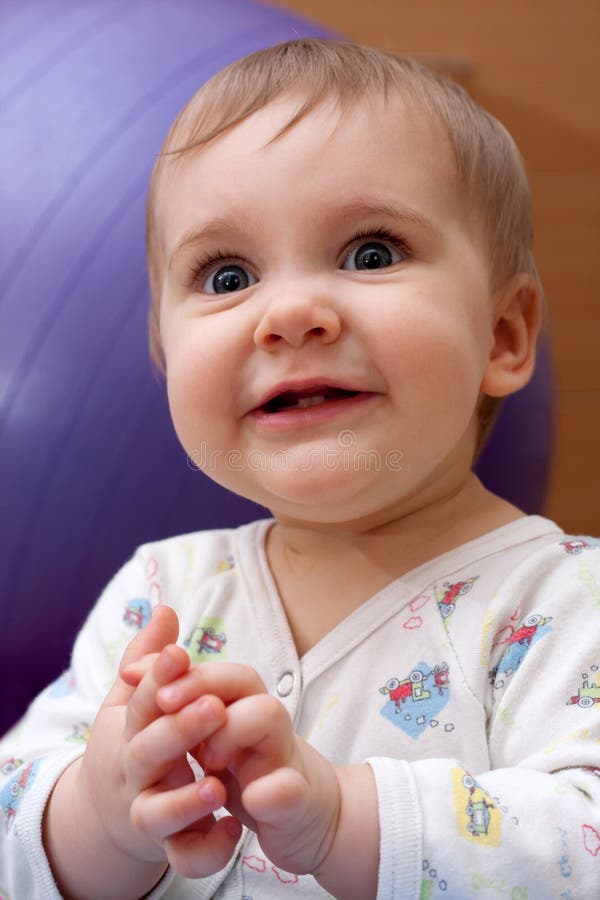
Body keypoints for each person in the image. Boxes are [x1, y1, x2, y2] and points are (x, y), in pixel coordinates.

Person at [1, 37, 599, 900]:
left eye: (371, 253)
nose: (289, 314)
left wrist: (347, 820)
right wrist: (97, 817)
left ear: (503, 335)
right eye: (228, 273)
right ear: (166, 358)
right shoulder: (162, 595)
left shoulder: (560, 604)